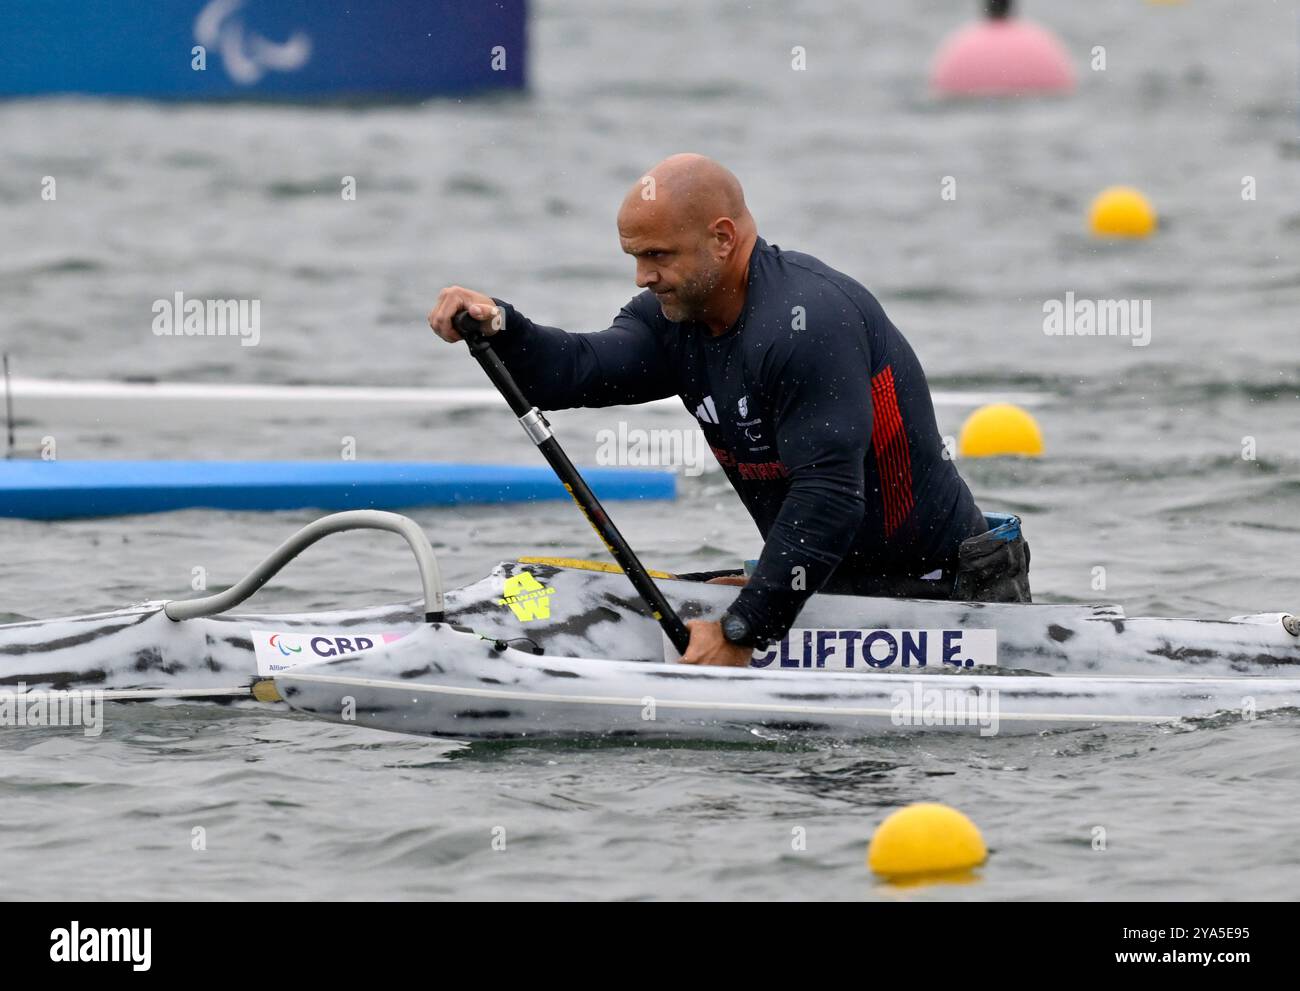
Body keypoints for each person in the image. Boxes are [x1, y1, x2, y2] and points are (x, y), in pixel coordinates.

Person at [428, 153, 1029, 667]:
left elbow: (827, 501)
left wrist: (744, 629)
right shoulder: (676, 321)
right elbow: (575, 371)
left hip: (946, 598)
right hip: (824, 586)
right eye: (634, 258)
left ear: (722, 238)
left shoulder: (806, 324)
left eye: (658, 256)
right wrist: (501, 325)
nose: (643, 277)